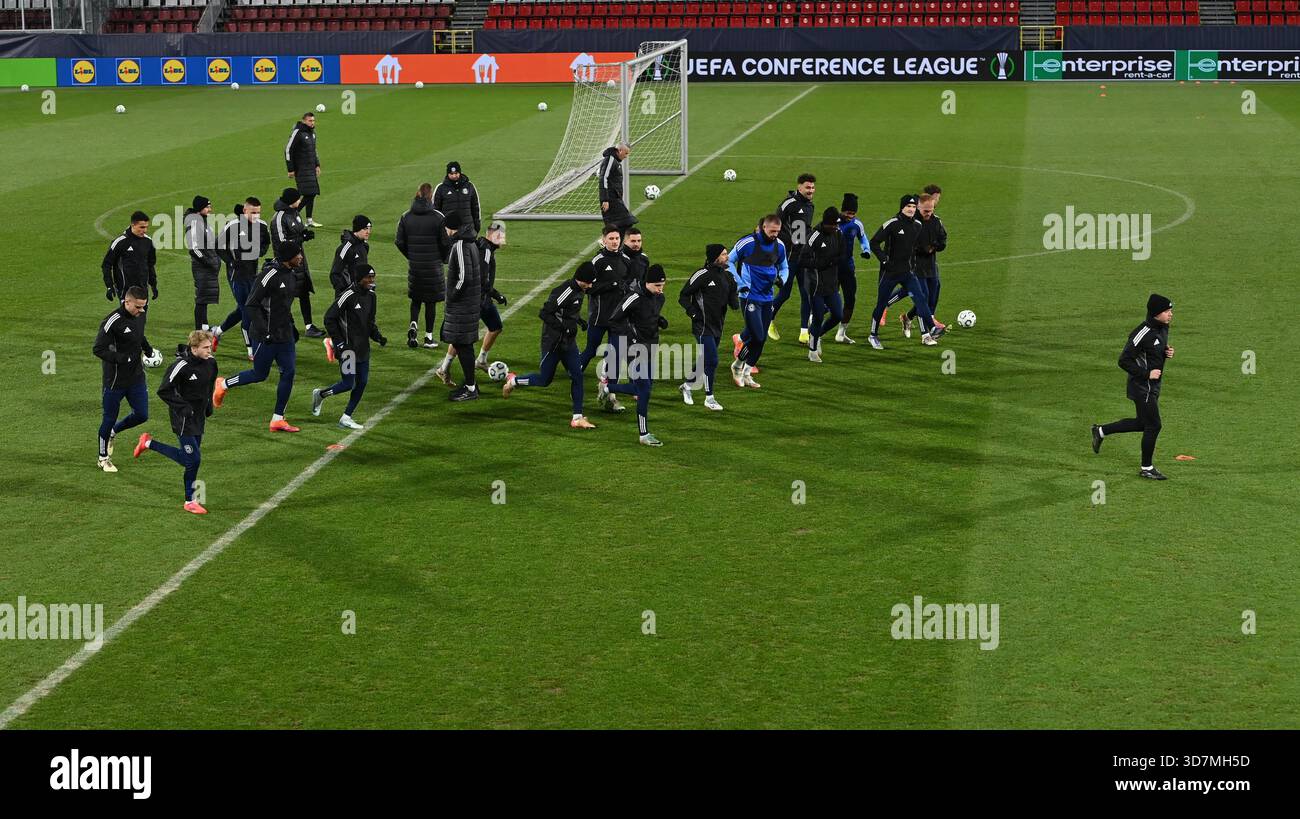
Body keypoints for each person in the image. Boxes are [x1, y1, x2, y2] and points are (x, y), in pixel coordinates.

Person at [212, 242, 304, 432]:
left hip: (284, 334)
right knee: (259, 374)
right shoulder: (268, 275)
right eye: (298, 254)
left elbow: (284, 306)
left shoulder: (292, 275)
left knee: (289, 372)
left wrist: (292, 326)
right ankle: (224, 384)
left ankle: (278, 418)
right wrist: (265, 331)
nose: (301, 257)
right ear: (289, 257)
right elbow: (251, 304)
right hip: (265, 336)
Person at [502, 261, 597, 430]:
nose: (590, 286)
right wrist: (563, 328)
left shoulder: (579, 290)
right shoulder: (565, 291)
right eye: (588, 282)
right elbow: (545, 313)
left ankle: (577, 417)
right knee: (544, 380)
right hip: (553, 342)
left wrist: (578, 322)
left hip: (568, 342)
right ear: (580, 279)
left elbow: (567, 313)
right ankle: (514, 381)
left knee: (577, 376)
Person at [133, 330, 218, 515]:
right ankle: (190, 501)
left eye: (209, 346)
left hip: (199, 417)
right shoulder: (181, 366)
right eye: (205, 347)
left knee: (189, 458)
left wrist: (209, 405)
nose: (209, 350)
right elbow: (164, 390)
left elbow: (210, 384)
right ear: (194, 348)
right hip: (183, 418)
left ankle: (147, 443)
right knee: (194, 460)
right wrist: (183, 407)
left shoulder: (211, 363)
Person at [1092, 295, 1175, 480]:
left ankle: (1100, 431)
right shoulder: (1141, 333)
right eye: (1167, 311)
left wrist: (1166, 352)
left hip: (1153, 386)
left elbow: (1154, 350)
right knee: (1154, 425)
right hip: (1142, 386)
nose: (1171, 314)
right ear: (1156, 313)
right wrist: (1146, 374)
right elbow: (1123, 361)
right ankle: (1147, 467)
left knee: (1142, 423)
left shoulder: (1163, 327)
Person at [601, 264, 669, 446]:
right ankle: (643, 434)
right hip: (634, 348)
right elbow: (614, 319)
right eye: (657, 286)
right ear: (647, 282)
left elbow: (648, 316)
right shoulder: (633, 297)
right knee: (644, 391)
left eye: (662, 286)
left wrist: (659, 320)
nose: (660, 290)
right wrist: (630, 339)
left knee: (644, 388)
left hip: (651, 346)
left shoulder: (659, 297)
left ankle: (608, 388)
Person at [866, 195, 945, 349]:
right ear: (902, 207)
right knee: (881, 304)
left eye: (913, 207)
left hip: (908, 273)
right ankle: (873, 335)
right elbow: (874, 242)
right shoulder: (892, 223)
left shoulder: (917, 225)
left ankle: (932, 329)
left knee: (921, 299)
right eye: (908, 206)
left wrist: (913, 265)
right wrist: (884, 260)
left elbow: (912, 248)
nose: (911, 209)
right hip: (889, 272)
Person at [93, 285, 157, 473]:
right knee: (109, 418)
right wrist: (122, 359)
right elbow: (98, 349)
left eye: (143, 306)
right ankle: (103, 458)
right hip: (115, 380)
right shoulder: (112, 321)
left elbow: (139, 334)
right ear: (126, 302)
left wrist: (148, 348)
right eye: (138, 306)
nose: (141, 310)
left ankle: (114, 432)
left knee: (142, 414)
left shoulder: (139, 315)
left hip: (136, 376)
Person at [313, 266, 386, 430]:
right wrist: (339, 342)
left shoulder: (372, 297)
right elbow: (329, 318)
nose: (371, 281)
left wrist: (377, 336)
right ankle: (320, 395)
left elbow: (370, 321)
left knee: (362, 382)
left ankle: (346, 416)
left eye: (373, 277)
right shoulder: (347, 295)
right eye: (368, 277)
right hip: (347, 349)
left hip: (363, 348)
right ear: (359, 278)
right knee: (347, 384)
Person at [728, 214, 789, 389]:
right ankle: (737, 366)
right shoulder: (748, 243)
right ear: (763, 227)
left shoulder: (780, 246)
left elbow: (784, 266)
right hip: (749, 297)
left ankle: (747, 373)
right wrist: (740, 283)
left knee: (761, 340)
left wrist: (782, 279)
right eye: (772, 231)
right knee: (758, 335)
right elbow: (729, 262)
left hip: (767, 297)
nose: (775, 235)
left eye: (777, 231)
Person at [678, 243, 737, 411]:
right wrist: (693, 313)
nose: (727, 257)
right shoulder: (701, 274)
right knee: (712, 360)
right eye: (724, 254)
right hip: (702, 325)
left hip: (718, 325)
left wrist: (735, 297)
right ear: (715, 257)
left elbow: (733, 298)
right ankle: (709, 398)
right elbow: (683, 296)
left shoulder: (727, 276)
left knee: (705, 358)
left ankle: (687, 386)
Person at [577, 225, 630, 412]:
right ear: (604, 239)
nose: (615, 241)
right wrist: (611, 285)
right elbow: (588, 288)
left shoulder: (625, 260)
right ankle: (575, 378)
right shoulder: (597, 261)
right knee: (591, 350)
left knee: (616, 356)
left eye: (617, 238)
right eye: (611, 238)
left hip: (619, 318)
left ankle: (611, 395)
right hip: (599, 316)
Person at [433, 212, 483, 401]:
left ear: (452, 228)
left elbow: (464, 277)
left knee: (463, 345)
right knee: (464, 345)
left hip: (462, 305)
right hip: (468, 303)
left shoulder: (461, 245)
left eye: (446, 228)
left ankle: (470, 389)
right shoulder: (469, 242)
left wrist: (452, 295)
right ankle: (471, 384)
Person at [215, 197, 270, 361]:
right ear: (245, 211)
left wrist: (262, 251)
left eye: (258, 212)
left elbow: (266, 242)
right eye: (253, 212)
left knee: (244, 308)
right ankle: (251, 350)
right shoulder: (233, 226)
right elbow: (218, 245)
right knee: (248, 311)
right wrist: (231, 262)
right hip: (237, 275)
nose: (256, 216)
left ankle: (217, 332)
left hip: (253, 274)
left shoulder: (262, 226)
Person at [395, 182, 446, 350]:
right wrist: (443, 258)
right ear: (431, 196)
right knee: (430, 302)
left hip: (415, 266)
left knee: (416, 299)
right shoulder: (438, 217)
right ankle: (428, 337)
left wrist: (411, 256)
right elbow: (445, 243)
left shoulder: (406, 216)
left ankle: (413, 324)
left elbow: (399, 241)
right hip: (433, 266)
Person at [270, 187, 324, 338]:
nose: (300, 201)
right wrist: (301, 238)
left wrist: (304, 234)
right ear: (291, 201)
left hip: (299, 260)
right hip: (286, 264)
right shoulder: (279, 218)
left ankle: (309, 326)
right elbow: (282, 244)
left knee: (303, 291)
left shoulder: (294, 213)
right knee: (287, 296)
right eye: (297, 199)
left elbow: (297, 232)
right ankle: (279, 326)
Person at [770, 173, 816, 343]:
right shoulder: (788, 204)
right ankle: (769, 319)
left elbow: (806, 229)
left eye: (812, 187)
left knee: (806, 293)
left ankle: (804, 331)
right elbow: (774, 224)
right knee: (785, 293)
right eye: (807, 187)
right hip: (788, 258)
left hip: (803, 257)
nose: (811, 190)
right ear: (799, 187)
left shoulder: (810, 206)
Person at [805, 207, 846, 363]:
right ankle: (812, 351)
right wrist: (820, 263)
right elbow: (803, 259)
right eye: (833, 225)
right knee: (817, 317)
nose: (835, 227)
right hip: (815, 284)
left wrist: (834, 261)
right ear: (825, 223)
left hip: (832, 283)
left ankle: (817, 335)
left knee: (837, 315)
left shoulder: (838, 234)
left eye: (836, 225)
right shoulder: (814, 236)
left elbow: (843, 253)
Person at [471, 220, 509, 371]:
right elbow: (482, 279)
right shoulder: (485, 251)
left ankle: (481, 359)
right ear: (493, 235)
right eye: (501, 236)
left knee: (495, 327)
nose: (503, 239)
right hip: (477, 299)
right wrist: (496, 295)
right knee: (463, 337)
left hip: (482, 297)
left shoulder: (484, 247)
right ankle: (444, 367)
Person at [834, 193, 871, 344]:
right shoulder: (833, 222)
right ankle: (814, 323)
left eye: (853, 213)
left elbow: (863, 237)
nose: (851, 216)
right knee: (828, 298)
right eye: (848, 213)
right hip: (831, 267)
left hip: (848, 267)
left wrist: (866, 250)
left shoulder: (857, 224)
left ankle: (841, 333)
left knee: (850, 299)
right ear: (842, 211)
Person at [101, 210, 157, 303]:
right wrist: (109, 286)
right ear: (133, 225)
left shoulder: (148, 242)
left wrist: (153, 285)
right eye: (142, 227)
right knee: (130, 317)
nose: (145, 230)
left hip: (142, 291)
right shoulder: (120, 242)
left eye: (146, 227)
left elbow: (150, 265)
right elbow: (106, 265)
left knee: (141, 317)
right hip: (125, 292)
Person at [185, 195, 222, 330]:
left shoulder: (202, 221)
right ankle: (199, 330)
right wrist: (208, 261)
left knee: (204, 299)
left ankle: (204, 328)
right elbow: (194, 248)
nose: (210, 209)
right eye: (207, 207)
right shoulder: (195, 223)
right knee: (201, 299)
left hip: (208, 267)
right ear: (200, 208)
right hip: (202, 268)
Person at [284, 112, 322, 227]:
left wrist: (317, 165)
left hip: (310, 168)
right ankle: (290, 216)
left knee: (312, 193)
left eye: (313, 121)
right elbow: (288, 150)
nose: (312, 123)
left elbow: (313, 150)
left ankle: (309, 220)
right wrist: (290, 169)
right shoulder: (298, 132)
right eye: (310, 121)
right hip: (301, 169)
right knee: (309, 193)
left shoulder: (312, 134)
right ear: (304, 121)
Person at [597, 143, 637, 233]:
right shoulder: (610, 160)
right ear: (620, 151)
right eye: (626, 153)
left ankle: (611, 242)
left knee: (622, 223)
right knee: (626, 222)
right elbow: (603, 178)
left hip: (615, 198)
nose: (626, 156)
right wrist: (605, 199)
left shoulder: (614, 161)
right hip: (610, 199)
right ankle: (607, 241)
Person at [433, 161, 481, 236]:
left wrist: (477, 225)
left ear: (460, 173)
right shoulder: (441, 188)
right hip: (449, 230)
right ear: (447, 174)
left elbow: (475, 207)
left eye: (456, 173)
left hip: (468, 229)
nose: (454, 176)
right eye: (451, 174)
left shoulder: (469, 186)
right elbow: (436, 211)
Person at [329, 215, 372, 296]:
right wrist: (346, 292)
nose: (368, 232)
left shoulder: (365, 246)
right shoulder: (345, 248)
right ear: (358, 229)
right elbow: (334, 274)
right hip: (348, 295)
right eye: (365, 229)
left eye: (370, 229)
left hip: (361, 292)